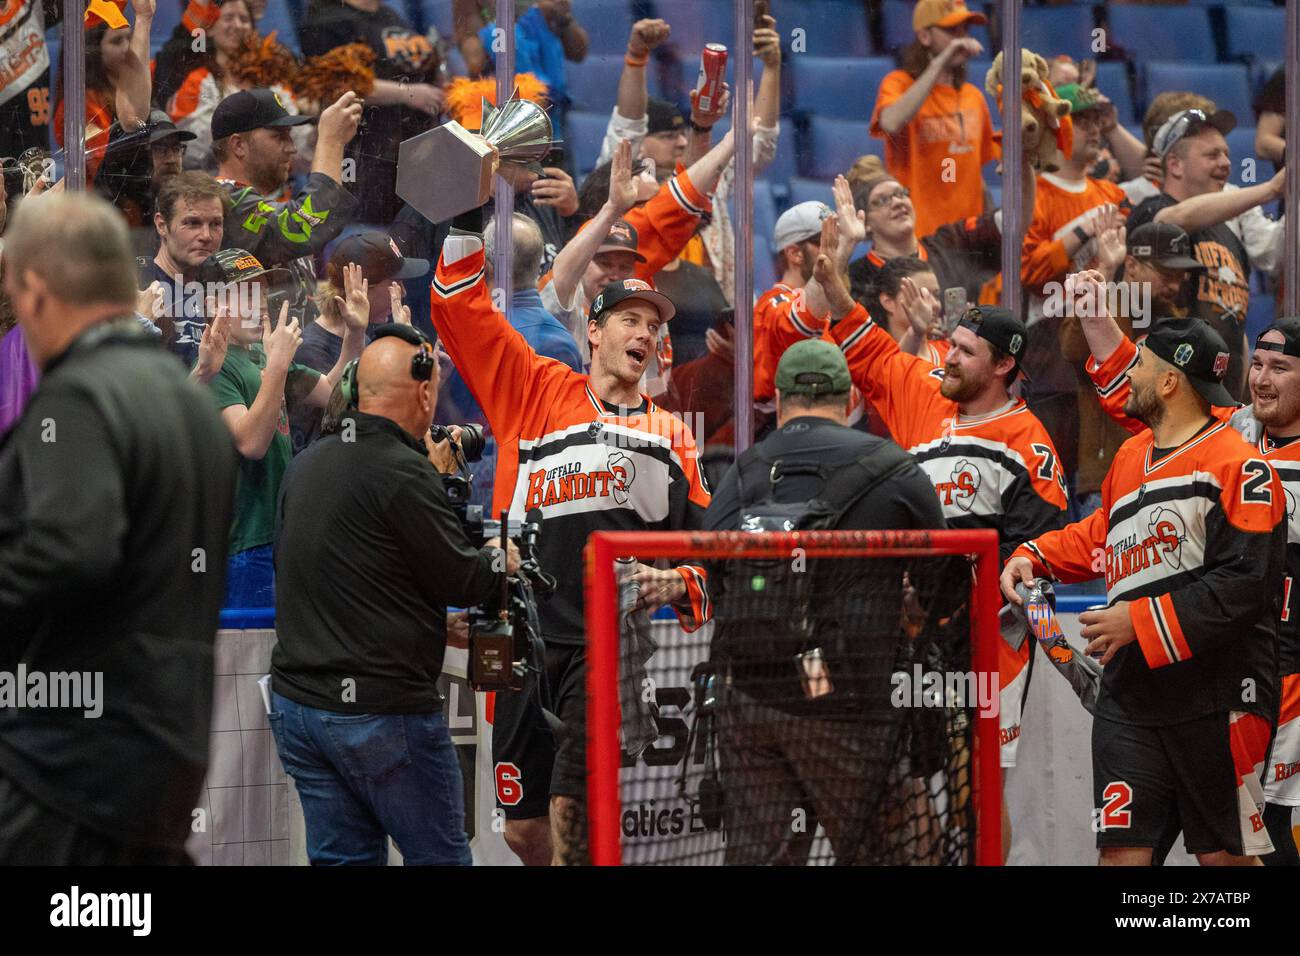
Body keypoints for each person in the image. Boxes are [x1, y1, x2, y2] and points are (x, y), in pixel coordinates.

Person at [430, 198, 712, 866]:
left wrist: (676, 579)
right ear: (594, 331)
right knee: (524, 831)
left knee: (571, 819)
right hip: (520, 637)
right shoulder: (532, 389)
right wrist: (468, 209)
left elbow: (709, 551)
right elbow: (457, 306)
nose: (644, 333)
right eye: (628, 319)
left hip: (607, 647)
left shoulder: (671, 437)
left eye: (653, 324)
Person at [1002, 282, 1286, 866]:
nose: (1124, 378)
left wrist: (1141, 621)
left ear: (1168, 381)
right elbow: (1103, 535)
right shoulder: (1132, 456)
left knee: (1225, 862)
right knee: (1121, 861)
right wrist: (1035, 552)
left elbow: (1245, 583)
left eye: (1141, 365)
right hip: (1130, 696)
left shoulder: (1240, 463)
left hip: (1218, 692)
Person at [0, 191, 235, 863]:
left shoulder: (78, 396)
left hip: (61, 778)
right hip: (162, 766)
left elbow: (71, 550)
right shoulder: (188, 404)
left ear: (39, 293)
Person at [802, 214, 1067, 790]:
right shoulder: (923, 391)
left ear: (1003, 367)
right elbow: (863, 341)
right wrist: (833, 276)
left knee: (977, 791)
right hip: (907, 631)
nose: (948, 357)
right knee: (909, 781)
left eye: (966, 353)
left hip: (982, 640)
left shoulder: (1029, 443)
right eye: (951, 346)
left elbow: (1040, 553)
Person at [269, 324, 518, 865]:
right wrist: (503, 559)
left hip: (300, 711)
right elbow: (468, 580)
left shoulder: (304, 463)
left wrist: (428, 622)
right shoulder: (405, 472)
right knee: (441, 860)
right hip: (380, 714)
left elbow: (354, 573)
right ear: (426, 393)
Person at [702, 338, 948, 864]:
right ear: (851, 395)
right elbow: (941, 580)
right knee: (883, 853)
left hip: (749, 696)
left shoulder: (743, 470)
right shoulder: (895, 467)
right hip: (849, 701)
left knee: (761, 859)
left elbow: (712, 564)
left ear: (780, 396)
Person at [206, 247, 367, 607]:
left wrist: (354, 335)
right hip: (242, 544)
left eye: (261, 292)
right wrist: (278, 366)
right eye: (245, 294)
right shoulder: (216, 368)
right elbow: (250, 444)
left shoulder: (263, 354)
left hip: (277, 536)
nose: (260, 303)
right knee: (244, 657)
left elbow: (335, 397)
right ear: (212, 303)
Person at [1129, 108, 1286, 400]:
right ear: (1174, 165)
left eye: (1226, 154)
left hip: (1222, 403)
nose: (1226, 163)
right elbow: (1170, 220)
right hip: (1167, 399)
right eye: (1212, 155)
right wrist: (1271, 189)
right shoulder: (1151, 210)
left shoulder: (1228, 231)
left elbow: (1234, 323)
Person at [212, 88, 363, 322]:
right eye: (279, 136)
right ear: (239, 145)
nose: (291, 147)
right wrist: (331, 141)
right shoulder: (220, 201)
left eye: (290, 135)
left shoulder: (263, 201)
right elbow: (303, 224)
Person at [300, 0, 446, 224]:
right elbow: (336, 84)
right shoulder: (329, 19)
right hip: (365, 150)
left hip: (408, 150)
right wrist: (407, 92)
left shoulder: (389, 15)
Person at [1245, 317, 1300, 864]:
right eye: (1257, 364)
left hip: (1291, 675)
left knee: (1269, 827)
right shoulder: (1232, 439)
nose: (1261, 378)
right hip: (1236, 669)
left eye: (1280, 367)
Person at [871, 0, 994, 239]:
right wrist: (940, 63)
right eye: (951, 30)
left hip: (968, 242)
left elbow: (976, 175)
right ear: (925, 36)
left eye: (964, 30)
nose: (960, 38)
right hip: (919, 237)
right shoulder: (898, 83)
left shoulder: (974, 97)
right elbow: (891, 122)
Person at [53, 0, 153, 185]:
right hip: (99, 201)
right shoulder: (78, 105)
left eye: (128, 38)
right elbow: (104, 161)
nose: (126, 47)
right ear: (95, 50)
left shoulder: (137, 80)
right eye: (116, 41)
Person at [137, 170, 228, 365]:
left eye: (215, 224)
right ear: (162, 225)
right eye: (192, 223)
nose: (206, 235)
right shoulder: (138, 287)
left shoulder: (214, 296)